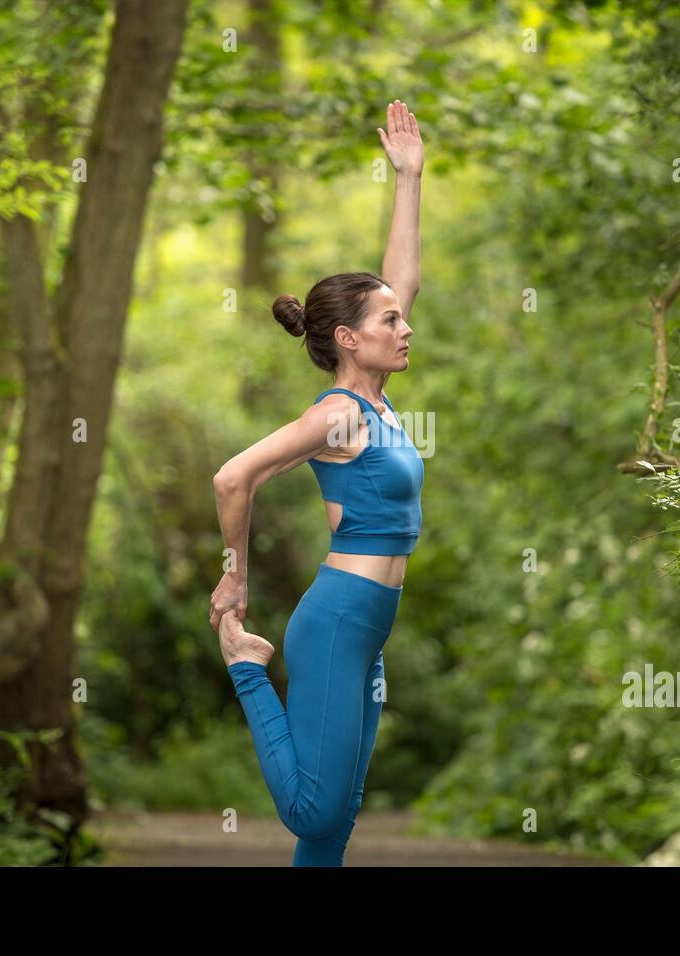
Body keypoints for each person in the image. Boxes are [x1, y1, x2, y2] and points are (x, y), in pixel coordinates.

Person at [209, 100, 424, 866]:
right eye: (390, 322)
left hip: (367, 627)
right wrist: (234, 581)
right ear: (347, 339)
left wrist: (408, 179)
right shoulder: (339, 415)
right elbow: (234, 476)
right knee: (312, 811)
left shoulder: (378, 400)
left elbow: (401, 280)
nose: (405, 329)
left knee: (335, 827)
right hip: (336, 622)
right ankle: (246, 670)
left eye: (402, 319)